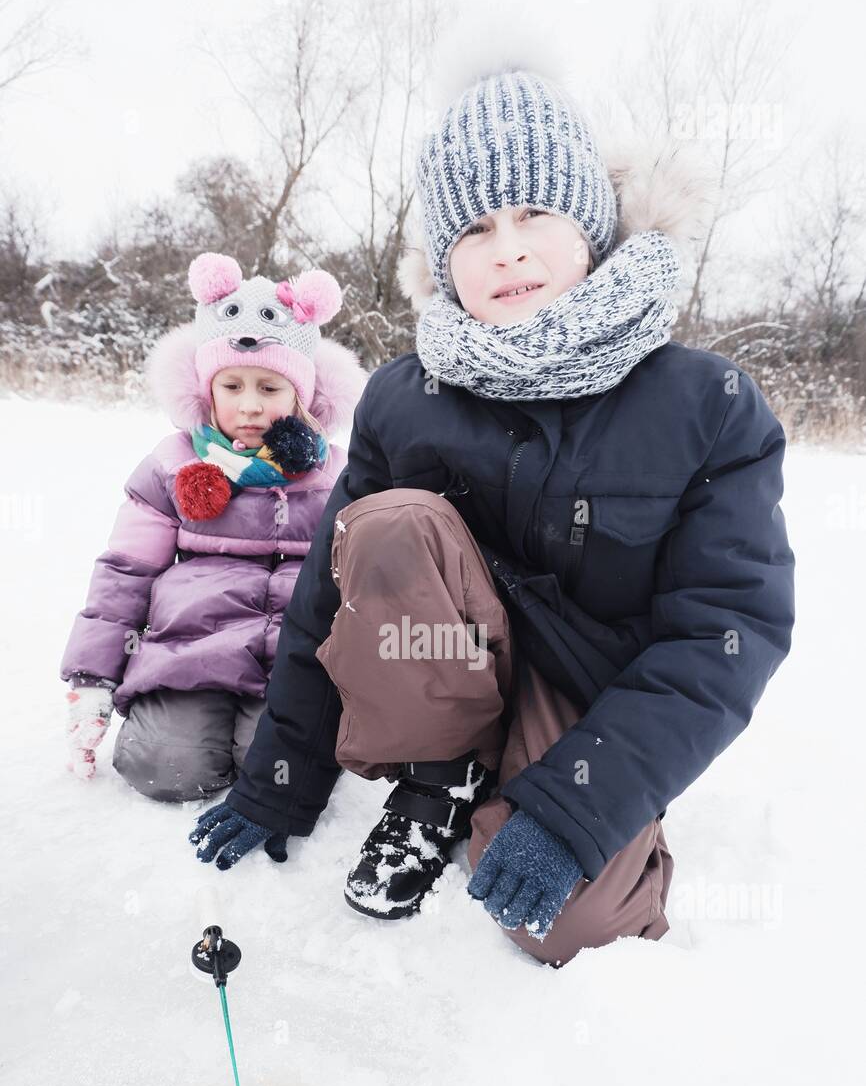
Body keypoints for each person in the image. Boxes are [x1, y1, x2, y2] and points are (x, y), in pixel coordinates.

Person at [188, 66, 796, 968]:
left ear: (588, 230)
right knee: (386, 525)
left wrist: (574, 814)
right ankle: (441, 778)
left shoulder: (707, 403)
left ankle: (550, 795)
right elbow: (326, 596)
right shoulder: (405, 397)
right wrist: (281, 779)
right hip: (444, 674)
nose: (507, 250)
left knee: (570, 928)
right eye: (475, 229)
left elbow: (726, 630)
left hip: (592, 704)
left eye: (535, 217)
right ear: (444, 263)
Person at [60, 252, 366, 803]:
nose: (249, 406)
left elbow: (366, 579)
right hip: (190, 650)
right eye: (232, 386)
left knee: (276, 767)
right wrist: (92, 681)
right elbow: (125, 574)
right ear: (208, 391)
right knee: (164, 767)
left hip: (293, 660)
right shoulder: (171, 465)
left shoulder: (336, 475)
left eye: (270, 389)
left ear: (301, 395)